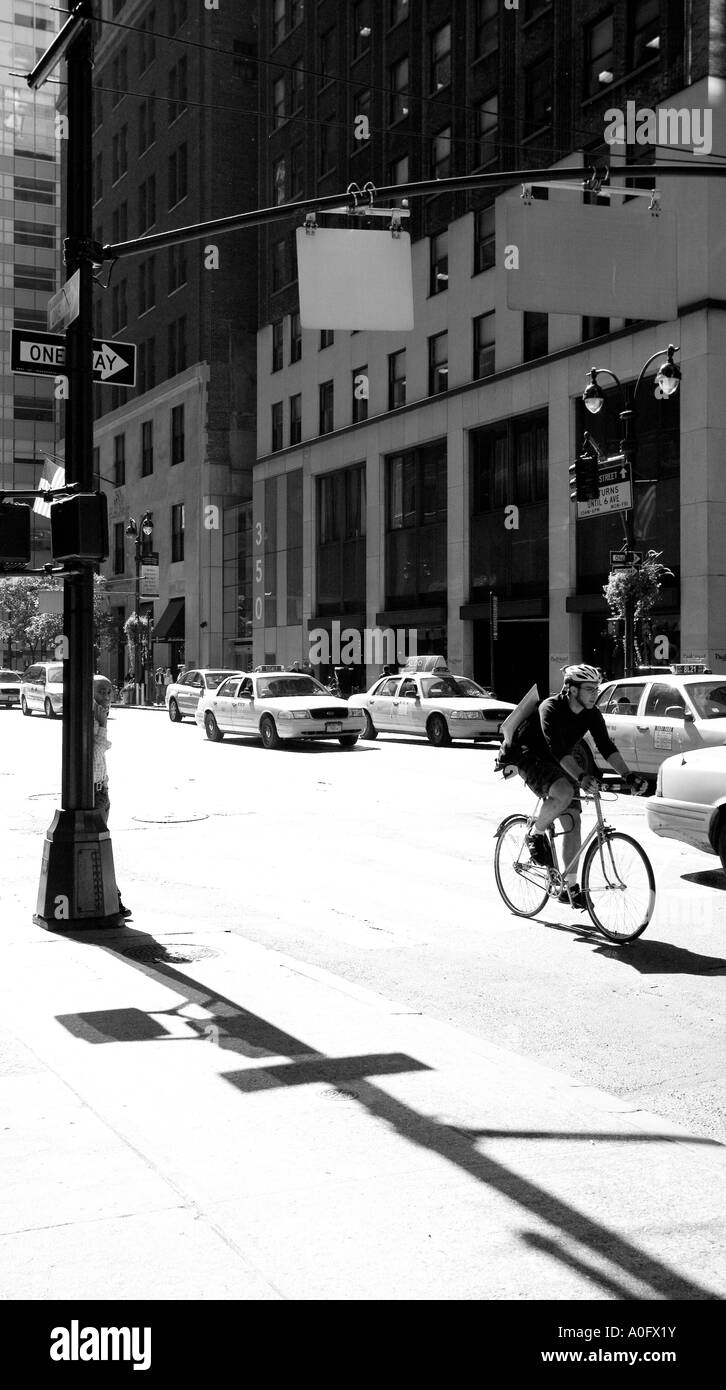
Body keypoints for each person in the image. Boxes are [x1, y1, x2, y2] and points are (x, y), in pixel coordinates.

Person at [516, 664, 648, 910]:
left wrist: (629, 776)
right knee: (564, 792)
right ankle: (535, 832)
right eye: (588, 689)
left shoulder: (591, 712)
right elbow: (555, 749)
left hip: (564, 761)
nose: (594, 693)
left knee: (574, 823)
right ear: (571, 689)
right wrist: (582, 776)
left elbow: (606, 747)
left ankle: (570, 886)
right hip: (531, 757)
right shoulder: (551, 708)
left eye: (596, 688)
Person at [92, 675, 131, 918]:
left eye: (110, 691)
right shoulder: (92, 716)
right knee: (100, 846)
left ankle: (110, 898)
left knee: (101, 845)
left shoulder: (98, 713)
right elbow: (95, 750)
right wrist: (103, 724)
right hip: (92, 793)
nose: (107, 695)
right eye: (102, 691)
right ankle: (111, 899)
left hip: (100, 789)